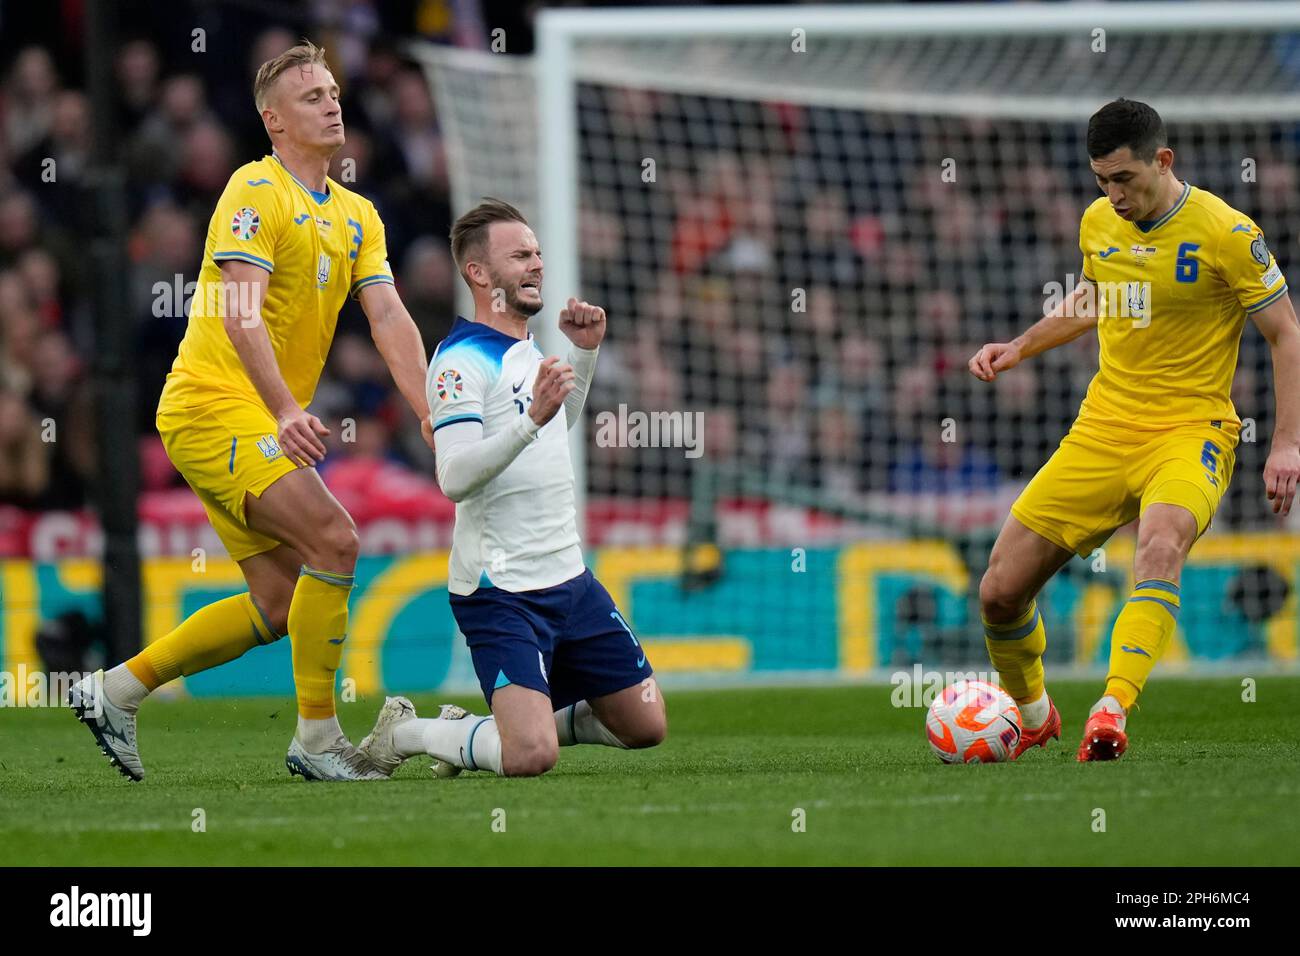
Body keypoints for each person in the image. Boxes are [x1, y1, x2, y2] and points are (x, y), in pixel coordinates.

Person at [69, 42, 434, 782]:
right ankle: (319, 741)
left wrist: (429, 410)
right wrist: (286, 408)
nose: (332, 103)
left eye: (333, 91)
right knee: (335, 539)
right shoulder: (252, 191)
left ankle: (114, 691)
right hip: (212, 405)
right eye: (311, 97)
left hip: (250, 417)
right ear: (274, 120)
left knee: (275, 602)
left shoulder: (359, 216)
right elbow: (240, 313)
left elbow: (389, 316)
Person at [969, 98, 1300, 761]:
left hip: (1189, 432)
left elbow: (1285, 332)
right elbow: (1097, 297)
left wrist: (1287, 442)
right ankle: (1034, 715)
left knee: (1158, 548)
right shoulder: (1098, 223)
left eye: (1125, 179)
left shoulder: (1226, 233)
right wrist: (1021, 345)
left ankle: (1112, 707)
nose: (1114, 195)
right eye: (1102, 181)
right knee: (1000, 592)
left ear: (1163, 161)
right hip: (1101, 430)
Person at [357, 198, 667, 778]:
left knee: (645, 726)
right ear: (479, 273)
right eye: (520, 255)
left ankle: (491, 729)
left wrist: (585, 353)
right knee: (530, 756)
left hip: (570, 580)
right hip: (501, 589)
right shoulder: (457, 362)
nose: (537, 265)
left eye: (538, 254)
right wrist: (529, 421)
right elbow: (453, 477)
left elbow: (554, 428)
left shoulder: (525, 348)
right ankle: (413, 732)